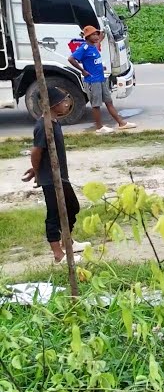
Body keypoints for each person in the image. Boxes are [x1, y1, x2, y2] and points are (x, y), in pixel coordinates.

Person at [21, 86, 87, 263]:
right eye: (63, 102)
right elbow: (36, 151)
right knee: (54, 213)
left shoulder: (54, 122)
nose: (66, 104)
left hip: (60, 175)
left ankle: (68, 242)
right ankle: (58, 253)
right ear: (53, 105)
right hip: (51, 179)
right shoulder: (44, 126)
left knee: (72, 207)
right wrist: (37, 171)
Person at [68, 25, 136, 134]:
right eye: (93, 35)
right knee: (96, 105)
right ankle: (99, 127)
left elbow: (98, 43)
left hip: (101, 79)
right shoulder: (84, 48)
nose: (96, 36)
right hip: (92, 81)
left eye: (96, 34)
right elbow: (71, 59)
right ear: (87, 37)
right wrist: (83, 71)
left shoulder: (93, 47)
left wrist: (102, 37)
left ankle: (121, 123)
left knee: (109, 102)